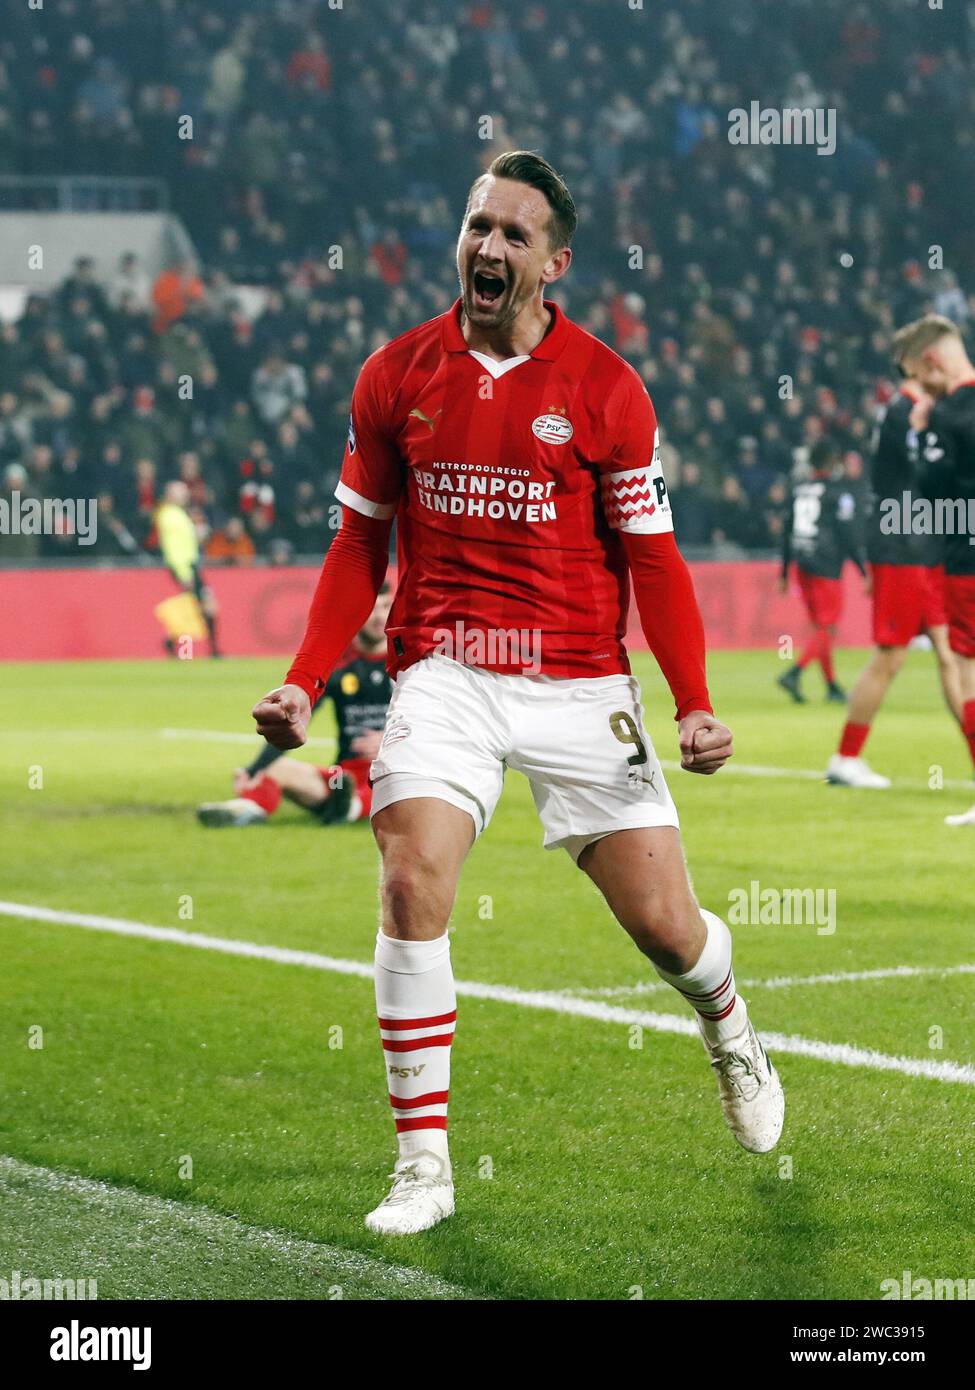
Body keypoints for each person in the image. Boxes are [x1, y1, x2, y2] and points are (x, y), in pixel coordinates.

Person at [251, 151, 783, 1237]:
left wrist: (693, 699)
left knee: (670, 930)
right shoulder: (397, 373)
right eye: (477, 225)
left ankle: (729, 1029)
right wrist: (304, 681)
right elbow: (358, 541)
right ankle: (423, 1167)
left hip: (581, 681)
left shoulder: (606, 389)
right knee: (412, 878)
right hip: (444, 672)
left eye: (513, 235)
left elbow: (654, 558)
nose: (488, 247)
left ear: (556, 264)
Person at [826, 373, 961, 788]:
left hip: (918, 546)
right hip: (908, 549)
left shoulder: (901, 414)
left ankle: (847, 757)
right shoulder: (906, 414)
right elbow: (917, 482)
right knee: (894, 657)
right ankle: (846, 757)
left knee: (951, 653)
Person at [198, 589, 392, 826]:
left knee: (400, 781)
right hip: (343, 777)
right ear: (358, 612)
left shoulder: (407, 663)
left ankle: (350, 806)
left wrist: (389, 740)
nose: (379, 617)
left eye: (385, 607)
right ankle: (247, 809)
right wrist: (253, 770)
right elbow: (295, 720)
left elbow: (435, 723)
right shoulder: (339, 665)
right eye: (373, 609)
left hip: (391, 769)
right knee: (275, 769)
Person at [893, 316, 975, 825]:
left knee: (966, 675)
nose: (917, 390)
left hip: (967, 559)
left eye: (917, 378)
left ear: (932, 361)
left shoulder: (948, 416)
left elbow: (931, 493)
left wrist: (921, 434)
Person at [777, 439, 868, 705]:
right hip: (826, 565)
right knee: (828, 627)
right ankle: (795, 672)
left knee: (821, 627)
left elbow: (786, 530)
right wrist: (863, 570)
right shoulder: (838, 492)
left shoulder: (799, 489)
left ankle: (831, 686)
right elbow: (847, 534)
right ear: (831, 462)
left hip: (801, 563)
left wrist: (784, 572)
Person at [155, 480, 221, 657]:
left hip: (191, 567)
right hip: (186, 568)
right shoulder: (169, 516)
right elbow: (173, 548)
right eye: (180, 492)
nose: (185, 495)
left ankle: (173, 643)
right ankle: (212, 650)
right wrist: (184, 572)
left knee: (199, 606)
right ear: (169, 495)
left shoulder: (177, 514)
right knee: (205, 606)